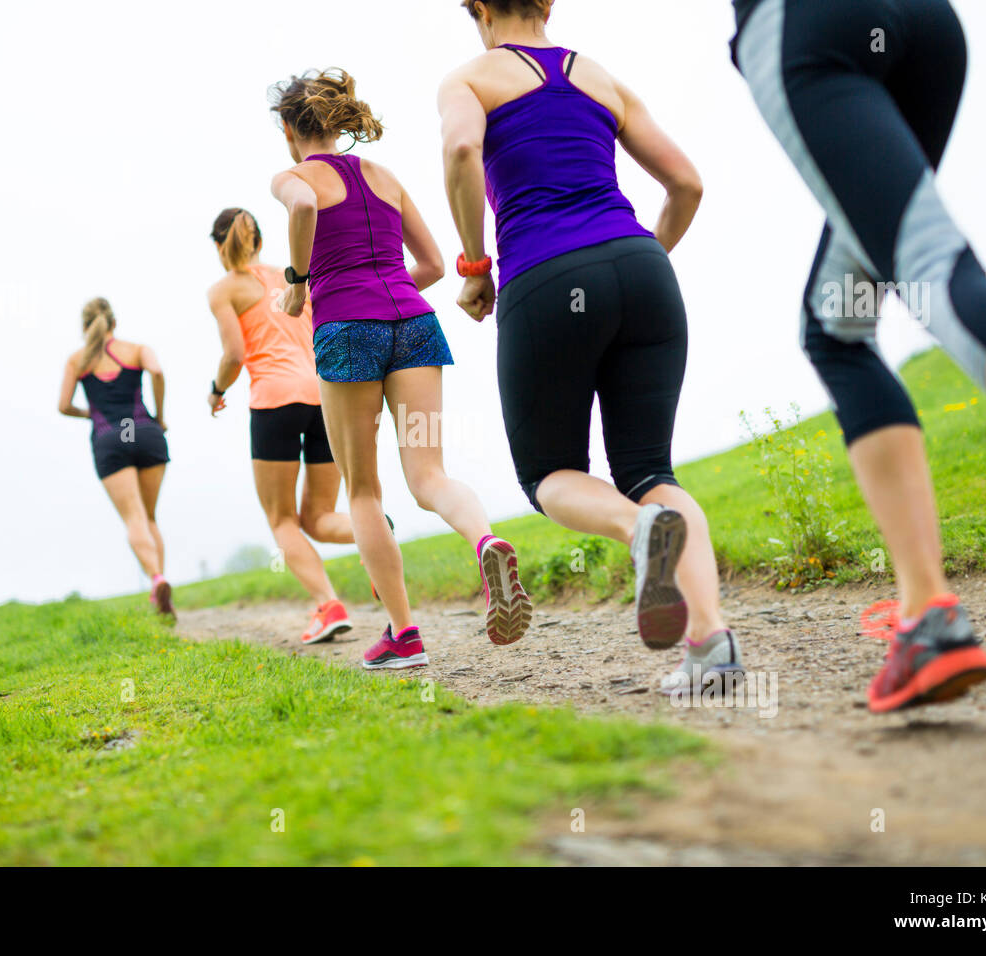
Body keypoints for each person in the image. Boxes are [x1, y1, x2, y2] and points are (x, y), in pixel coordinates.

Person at [729, 0, 986, 711]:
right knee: (837, 327)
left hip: (809, 28)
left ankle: (931, 616)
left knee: (935, 272)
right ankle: (929, 618)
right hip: (924, 26)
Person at [440, 0, 741, 695]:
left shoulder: (470, 79)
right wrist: (635, 265)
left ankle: (641, 535)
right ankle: (712, 645)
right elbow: (687, 183)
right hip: (642, 267)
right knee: (652, 470)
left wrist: (476, 265)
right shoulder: (601, 77)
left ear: (478, 9)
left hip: (543, 276)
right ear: (548, 3)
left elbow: (460, 151)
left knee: (548, 475)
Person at [268, 68, 532, 670]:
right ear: (337, 121)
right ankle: (486, 540)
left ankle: (404, 635)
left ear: (289, 128)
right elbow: (435, 264)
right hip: (412, 326)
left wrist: (298, 283)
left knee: (364, 491)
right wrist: (382, 289)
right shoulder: (385, 177)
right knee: (430, 476)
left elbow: (304, 202)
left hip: (348, 336)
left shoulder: (291, 177)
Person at [206, 206, 356, 645]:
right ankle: (376, 531)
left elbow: (234, 356)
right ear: (259, 241)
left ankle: (327, 605)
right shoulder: (291, 276)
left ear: (219, 245)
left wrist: (216, 391)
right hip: (324, 393)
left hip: (275, 400)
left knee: (282, 519)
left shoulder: (222, 290)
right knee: (321, 516)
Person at [58, 297, 175, 617]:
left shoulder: (77, 360)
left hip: (110, 437)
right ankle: (160, 589)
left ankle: (157, 579)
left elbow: (63, 405)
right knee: (150, 518)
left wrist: (90, 414)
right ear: (114, 322)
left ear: (85, 327)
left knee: (134, 519)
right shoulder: (138, 349)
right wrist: (160, 416)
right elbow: (158, 373)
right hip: (145, 431)